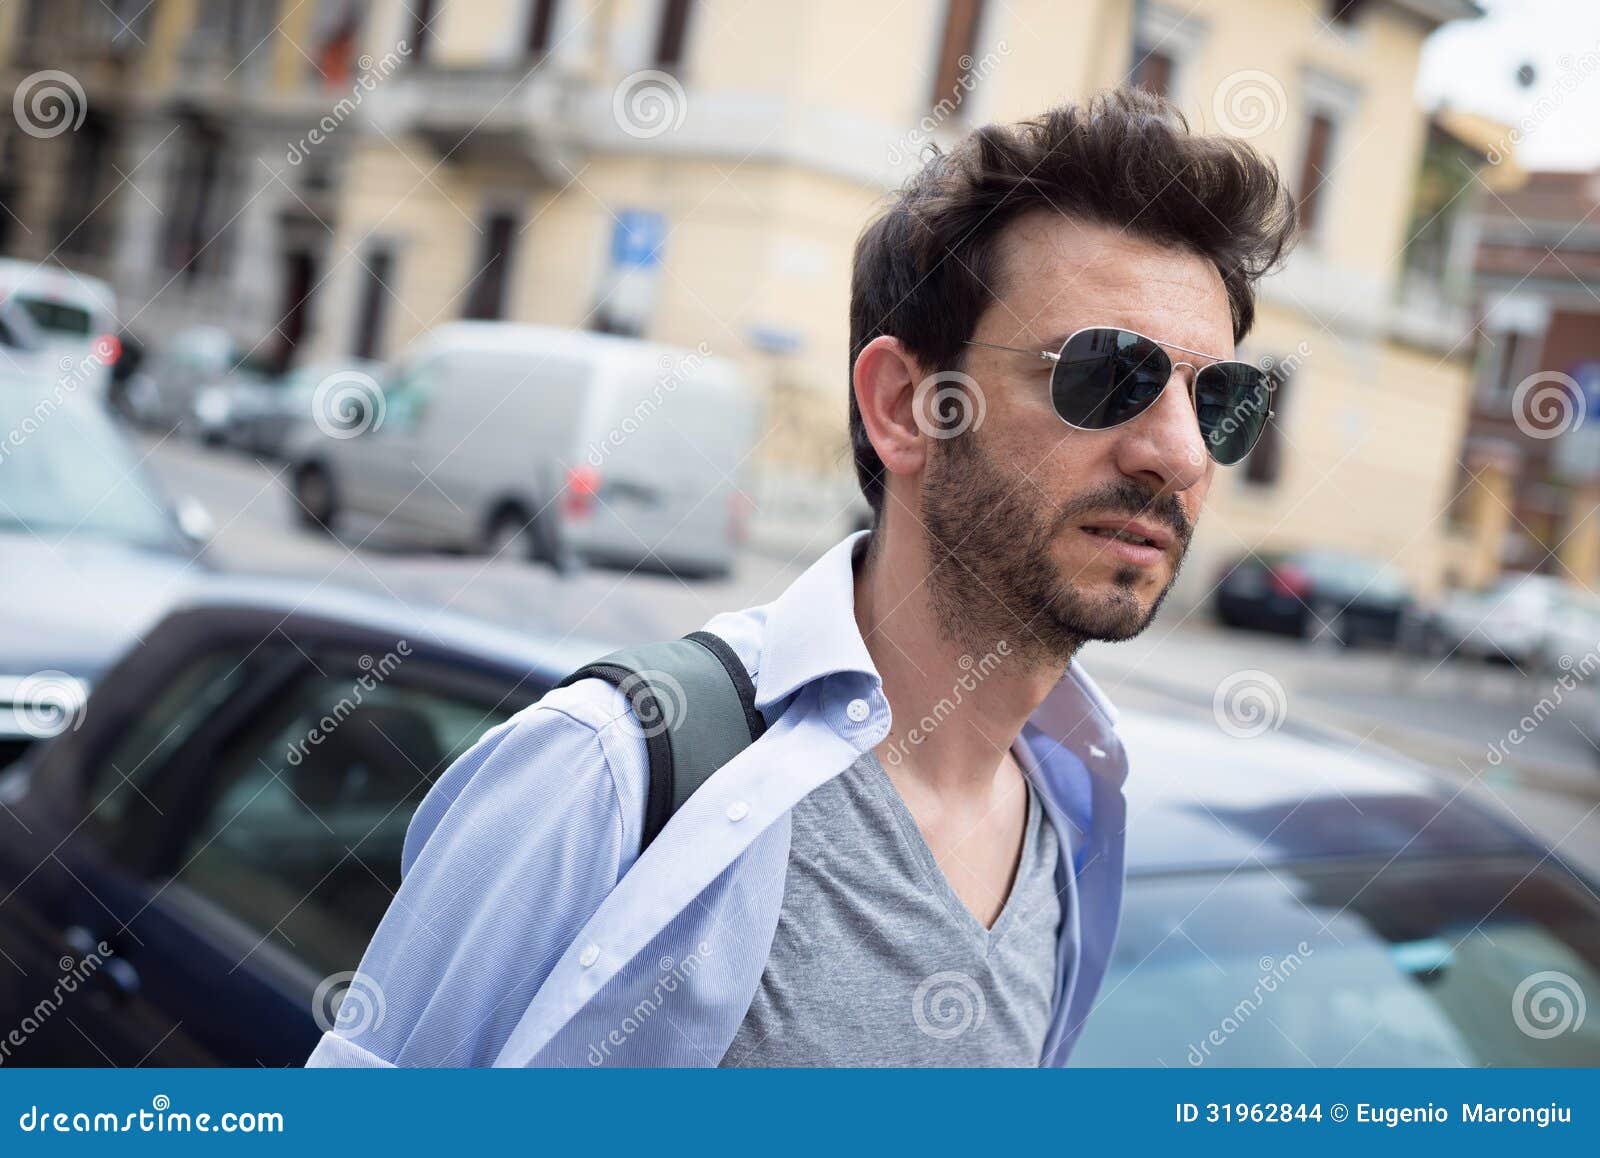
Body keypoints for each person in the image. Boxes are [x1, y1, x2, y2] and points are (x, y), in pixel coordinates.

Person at [306, 86, 1297, 1068]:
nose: (1177, 452)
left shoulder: (1080, 820)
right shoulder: (611, 775)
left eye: (1221, 398)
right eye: (1104, 376)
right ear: (905, 407)